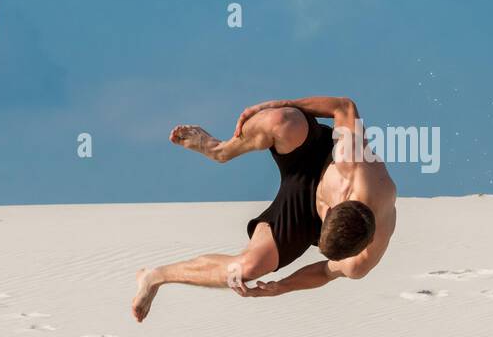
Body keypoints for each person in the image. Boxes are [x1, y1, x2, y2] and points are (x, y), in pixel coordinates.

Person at [132, 96, 397, 322]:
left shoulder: (361, 261)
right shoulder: (353, 163)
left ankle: (155, 276)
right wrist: (280, 103)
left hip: (306, 218)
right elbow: (344, 107)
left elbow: (325, 271)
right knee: (282, 120)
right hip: (314, 158)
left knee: (246, 269)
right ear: (342, 204)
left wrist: (282, 287)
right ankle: (220, 150)